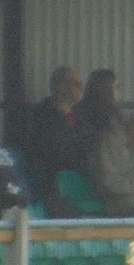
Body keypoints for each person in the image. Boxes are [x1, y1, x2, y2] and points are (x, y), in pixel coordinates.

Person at [22, 66, 86, 203]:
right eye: (77, 84)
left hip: (82, 177)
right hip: (52, 182)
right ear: (61, 86)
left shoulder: (82, 115)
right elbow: (47, 152)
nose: (81, 88)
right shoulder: (40, 116)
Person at [71, 67, 122, 144]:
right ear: (106, 89)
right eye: (116, 87)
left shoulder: (116, 114)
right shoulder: (75, 113)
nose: (118, 91)